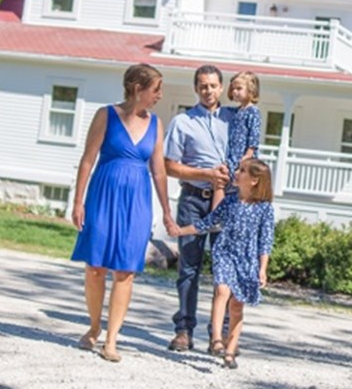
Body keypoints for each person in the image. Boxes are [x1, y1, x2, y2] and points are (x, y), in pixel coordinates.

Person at [70, 63, 179, 363]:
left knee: (125, 270)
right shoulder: (106, 115)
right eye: (156, 89)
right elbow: (87, 160)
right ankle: (94, 327)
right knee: (95, 267)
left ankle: (112, 339)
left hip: (137, 202)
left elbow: (158, 171)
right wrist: (78, 202)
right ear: (137, 89)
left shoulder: (156, 124)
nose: (159, 95)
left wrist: (167, 212)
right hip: (103, 196)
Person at [179, 156, 276, 370]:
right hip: (225, 253)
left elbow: (265, 241)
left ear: (254, 180)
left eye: (242, 171)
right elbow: (208, 222)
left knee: (237, 305)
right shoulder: (230, 201)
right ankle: (216, 339)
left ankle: (230, 351)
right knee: (221, 291)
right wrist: (181, 230)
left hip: (247, 259)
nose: (237, 173)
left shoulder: (264, 209)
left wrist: (262, 268)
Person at [162, 65, 231, 352]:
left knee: (225, 268)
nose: (208, 90)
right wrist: (205, 175)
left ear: (221, 87)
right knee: (189, 267)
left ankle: (221, 334)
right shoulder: (183, 122)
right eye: (203, 85)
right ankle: (184, 330)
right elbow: (169, 166)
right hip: (193, 199)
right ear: (196, 88)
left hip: (227, 201)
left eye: (213, 85)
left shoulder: (234, 119)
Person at [210, 70, 263, 213]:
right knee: (221, 181)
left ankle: (220, 215)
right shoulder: (237, 111)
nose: (235, 92)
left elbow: (254, 134)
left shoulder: (253, 112)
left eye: (239, 89)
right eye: (233, 89)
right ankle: (218, 214)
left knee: (233, 184)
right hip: (232, 155)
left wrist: (249, 154)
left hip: (243, 156)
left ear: (250, 90)